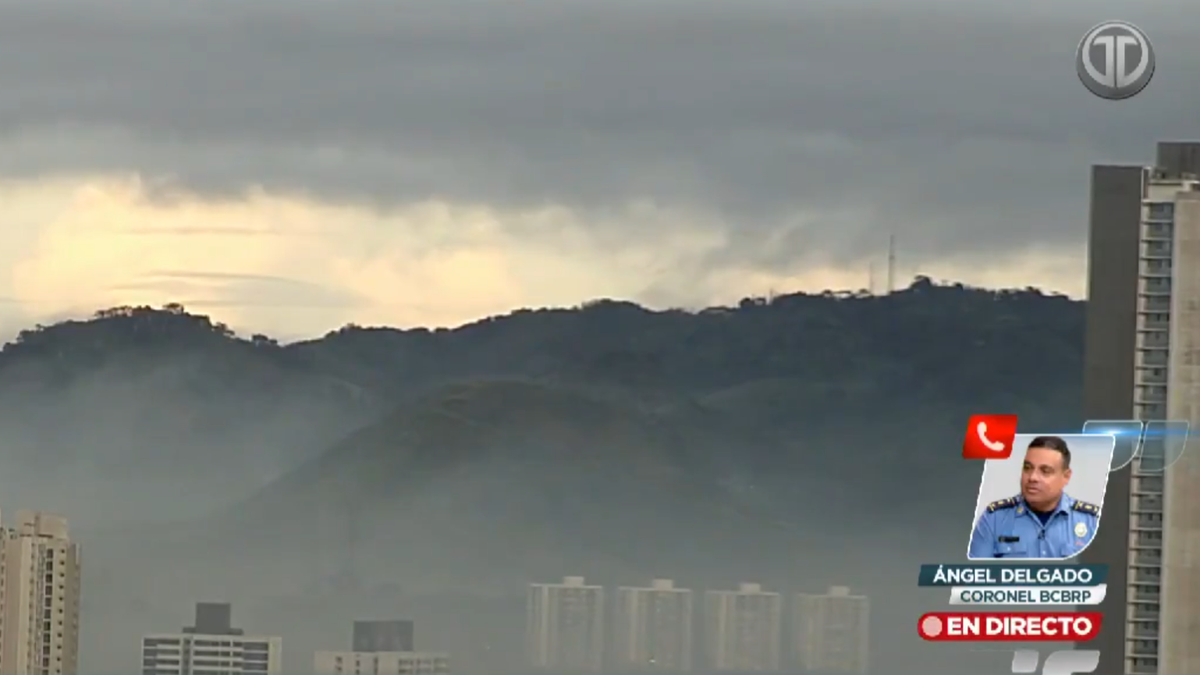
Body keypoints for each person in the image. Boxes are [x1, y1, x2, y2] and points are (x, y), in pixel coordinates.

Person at [968, 435, 1101, 559]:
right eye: (1027, 468)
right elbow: (977, 578)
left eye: (1045, 471)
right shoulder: (994, 519)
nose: (1032, 477)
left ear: (1066, 477)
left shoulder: (1091, 522)